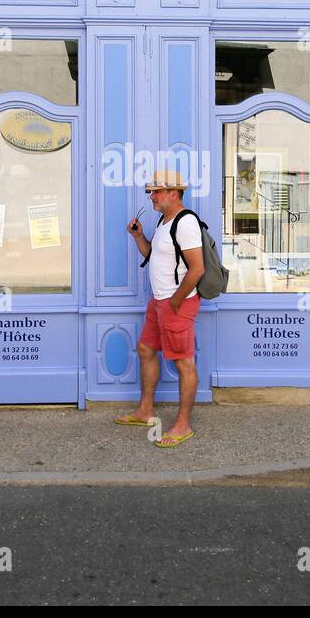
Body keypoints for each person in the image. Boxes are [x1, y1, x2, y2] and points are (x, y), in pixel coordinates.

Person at [115, 170, 204, 447]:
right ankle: (145, 411)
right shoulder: (164, 221)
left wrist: (176, 301)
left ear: (174, 193)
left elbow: (197, 268)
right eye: (151, 192)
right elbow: (154, 254)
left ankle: (183, 425)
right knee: (146, 349)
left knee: (183, 362)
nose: (151, 196)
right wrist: (139, 237)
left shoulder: (185, 222)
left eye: (156, 192)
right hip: (159, 301)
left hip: (175, 302)